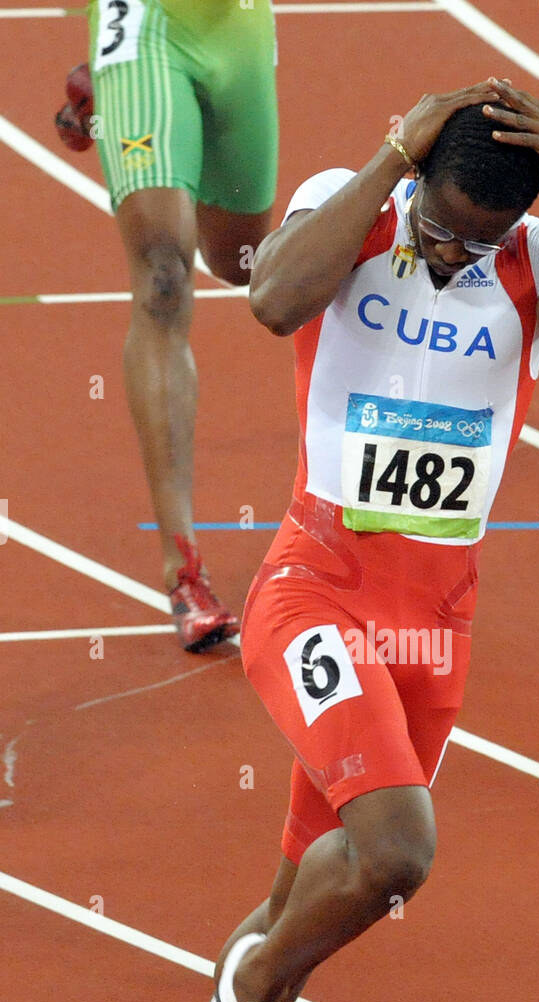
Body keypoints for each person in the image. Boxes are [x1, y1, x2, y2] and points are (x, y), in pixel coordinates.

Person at [87, 78, 539, 1002]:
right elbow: (271, 297)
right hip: (317, 586)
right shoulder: (360, 213)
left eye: (472, 239)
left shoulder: (538, 253)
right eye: (441, 224)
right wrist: (392, 155)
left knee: (307, 902)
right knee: (399, 850)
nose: (450, 252)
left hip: (433, 631)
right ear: (416, 179)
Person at [56, 0, 279, 651]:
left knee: (239, 264)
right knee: (163, 279)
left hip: (236, 29)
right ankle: (183, 572)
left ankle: (105, 84)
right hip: (144, 25)